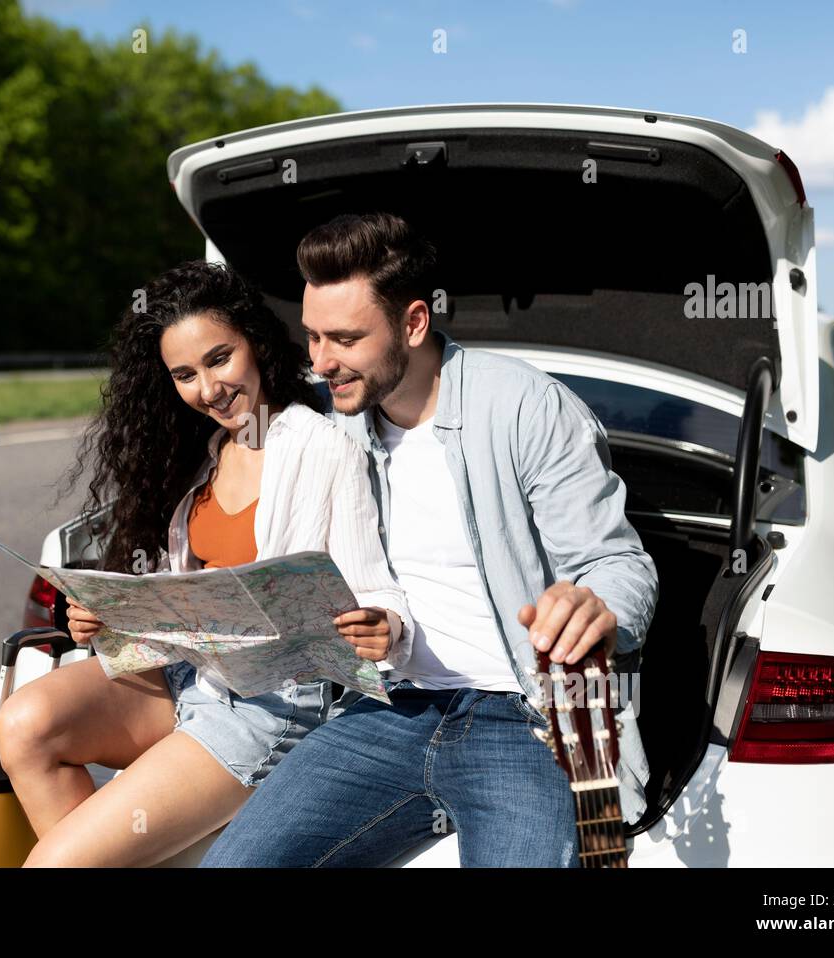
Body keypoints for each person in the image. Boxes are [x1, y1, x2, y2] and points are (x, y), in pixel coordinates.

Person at [201, 212, 660, 868]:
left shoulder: (526, 407)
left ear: (414, 323)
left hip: (525, 722)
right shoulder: (336, 428)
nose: (320, 361)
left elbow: (617, 562)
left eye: (344, 338)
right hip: (391, 710)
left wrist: (599, 606)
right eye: (311, 336)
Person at [0, 260, 413, 867]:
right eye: (184, 375)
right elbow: (185, 609)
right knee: (25, 723)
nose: (208, 389)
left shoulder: (324, 446)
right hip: (189, 675)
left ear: (257, 344)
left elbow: (377, 587)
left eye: (219, 359)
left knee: (56, 864)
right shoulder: (205, 457)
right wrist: (107, 622)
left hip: (273, 702)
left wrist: (383, 623)